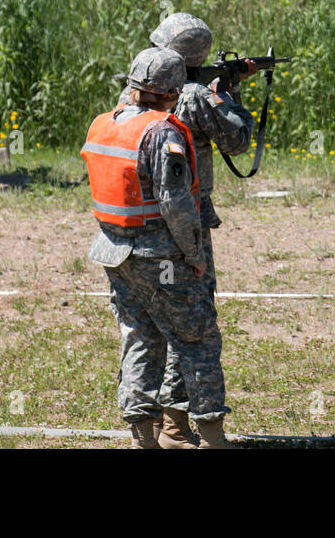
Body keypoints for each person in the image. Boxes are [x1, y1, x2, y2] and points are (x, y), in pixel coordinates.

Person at [119, 12, 257, 448]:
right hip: (184, 220)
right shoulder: (196, 95)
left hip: (137, 223)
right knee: (193, 325)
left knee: (151, 329)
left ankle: (166, 426)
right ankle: (181, 427)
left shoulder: (135, 91)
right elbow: (237, 140)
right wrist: (230, 97)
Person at [85, 46, 233, 448]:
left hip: (115, 253)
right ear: (174, 90)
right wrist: (195, 255)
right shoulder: (163, 131)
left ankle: (143, 440)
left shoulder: (104, 124)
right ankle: (213, 439)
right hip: (162, 258)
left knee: (139, 338)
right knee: (197, 340)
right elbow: (177, 204)